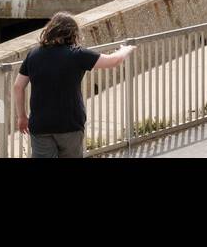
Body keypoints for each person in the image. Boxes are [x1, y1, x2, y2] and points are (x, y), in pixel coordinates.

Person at [13, 12, 133, 158]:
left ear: (50, 30)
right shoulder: (77, 54)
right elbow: (113, 61)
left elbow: (18, 86)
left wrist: (22, 117)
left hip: (41, 124)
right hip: (69, 123)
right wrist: (125, 49)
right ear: (72, 33)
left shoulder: (33, 54)